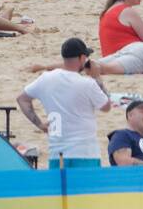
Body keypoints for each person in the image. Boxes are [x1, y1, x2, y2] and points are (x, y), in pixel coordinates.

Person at [17, 38, 111, 169]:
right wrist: (97, 78)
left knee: (61, 189)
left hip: (57, 152)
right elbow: (106, 106)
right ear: (82, 57)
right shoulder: (87, 84)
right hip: (85, 152)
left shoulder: (46, 79)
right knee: (87, 189)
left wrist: (40, 124)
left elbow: (22, 99)